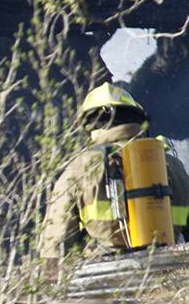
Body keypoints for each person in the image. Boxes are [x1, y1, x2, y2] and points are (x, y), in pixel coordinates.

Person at [39, 83, 189, 262]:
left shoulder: (81, 167)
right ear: (138, 121)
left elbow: (56, 239)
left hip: (107, 276)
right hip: (168, 269)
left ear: (89, 127)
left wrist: (49, 282)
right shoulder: (172, 164)